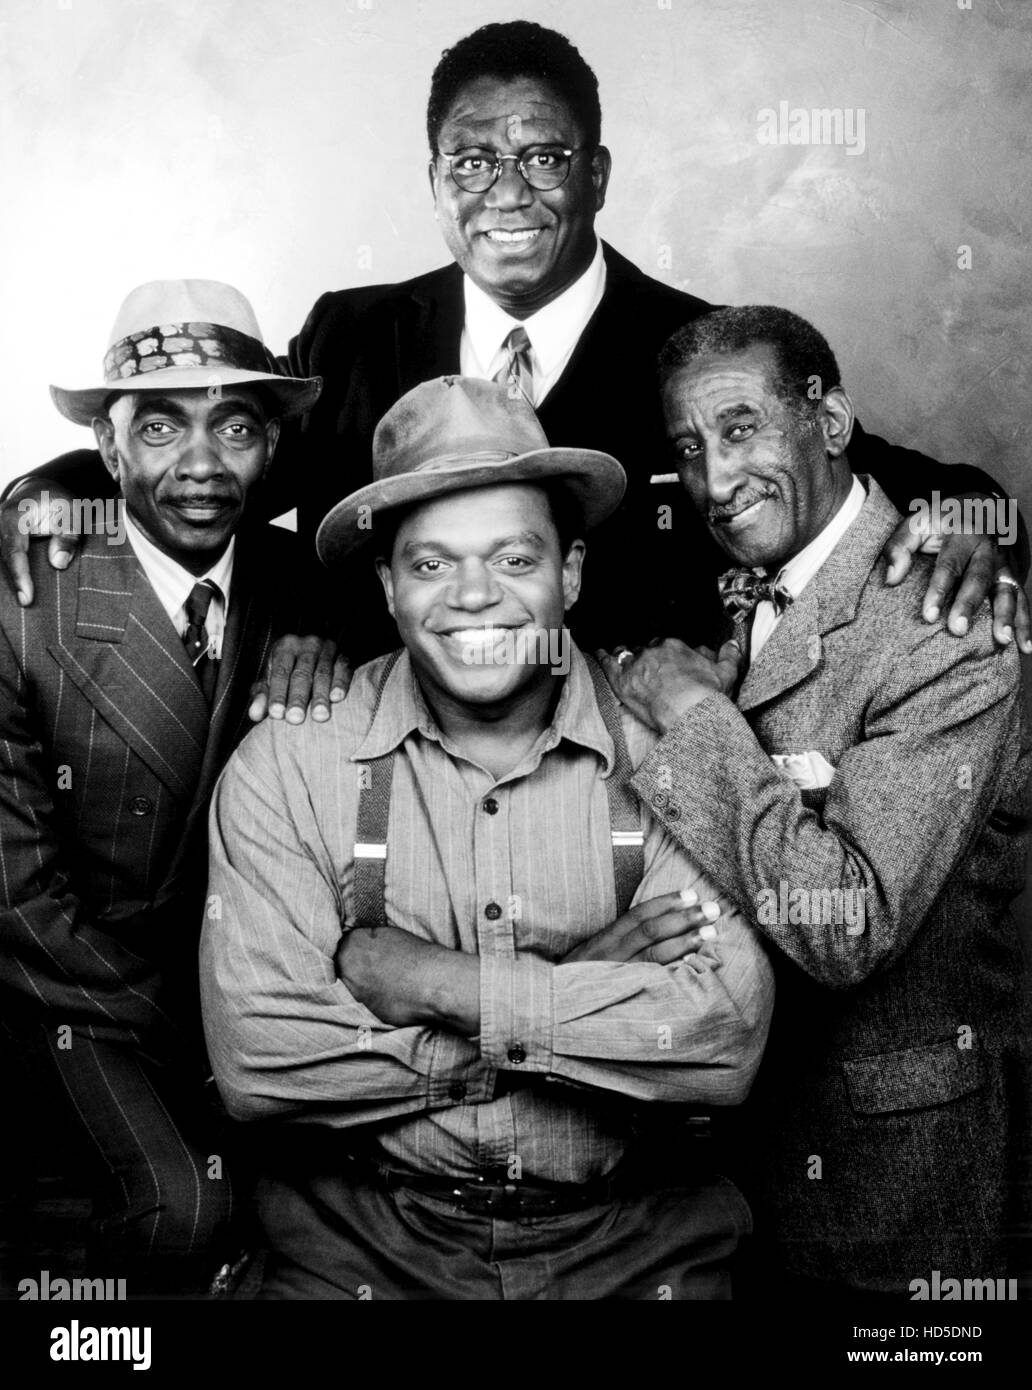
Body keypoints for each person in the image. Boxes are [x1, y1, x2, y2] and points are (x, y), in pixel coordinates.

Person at [1, 20, 1027, 717]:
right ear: (434, 181)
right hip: (388, 763)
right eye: (472, 160)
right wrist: (52, 488)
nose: (506, 192)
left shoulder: (695, 351)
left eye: (542, 156)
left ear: (598, 174)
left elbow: (852, 469)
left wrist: (975, 517)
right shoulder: (352, 334)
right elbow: (211, 462)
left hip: (631, 779)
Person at [200, 375, 774, 1301]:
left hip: (635, 1243)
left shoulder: (669, 747)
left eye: (513, 559)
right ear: (387, 586)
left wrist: (431, 984)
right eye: (432, 566)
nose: (474, 597)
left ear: (571, 573)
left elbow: (721, 1041)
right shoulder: (291, 761)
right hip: (361, 1243)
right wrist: (576, 985)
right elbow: (261, 1063)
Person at [602, 305, 1030, 1298]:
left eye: (741, 429)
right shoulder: (730, 591)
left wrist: (695, 718)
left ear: (831, 423)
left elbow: (848, 925)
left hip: (898, 1188)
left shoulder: (945, 627)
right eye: (689, 448)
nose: (714, 481)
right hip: (722, 1179)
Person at [0, 279, 322, 1298]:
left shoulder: (305, 585)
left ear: (272, 445)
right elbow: (18, 903)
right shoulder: (23, 598)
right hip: (70, 994)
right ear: (106, 447)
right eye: (158, 427)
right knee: (184, 1208)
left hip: (249, 985)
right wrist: (195, 1029)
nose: (201, 464)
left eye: (235, 426)